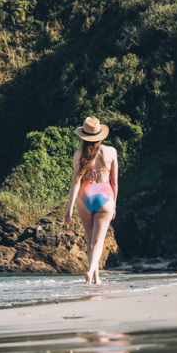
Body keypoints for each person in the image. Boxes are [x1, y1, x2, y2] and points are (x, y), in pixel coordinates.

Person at [63, 116, 118, 284]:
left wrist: (69, 209)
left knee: (90, 240)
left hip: (85, 196)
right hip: (105, 196)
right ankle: (91, 271)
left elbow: (75, 182)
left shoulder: (79, 154)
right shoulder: (111, 151)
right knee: (98, 241)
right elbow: (114, 182)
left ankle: (95, 278)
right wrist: (114, 205)